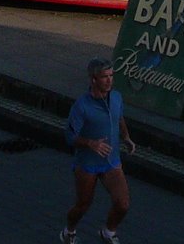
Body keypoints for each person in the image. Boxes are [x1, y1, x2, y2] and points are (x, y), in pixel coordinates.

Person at [61, 57, 133, 244]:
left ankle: (108, 232)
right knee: (83, 205)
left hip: (111, 162)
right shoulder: (81, 106)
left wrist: (126, 137)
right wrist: (91, 143)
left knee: (123, 204)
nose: (109, 80)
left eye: (111, 76)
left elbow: (119, 118)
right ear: (93, 79)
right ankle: (69, 231)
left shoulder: (116, 97)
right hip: (87, 164)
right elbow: (69, 136)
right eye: (104, 77)